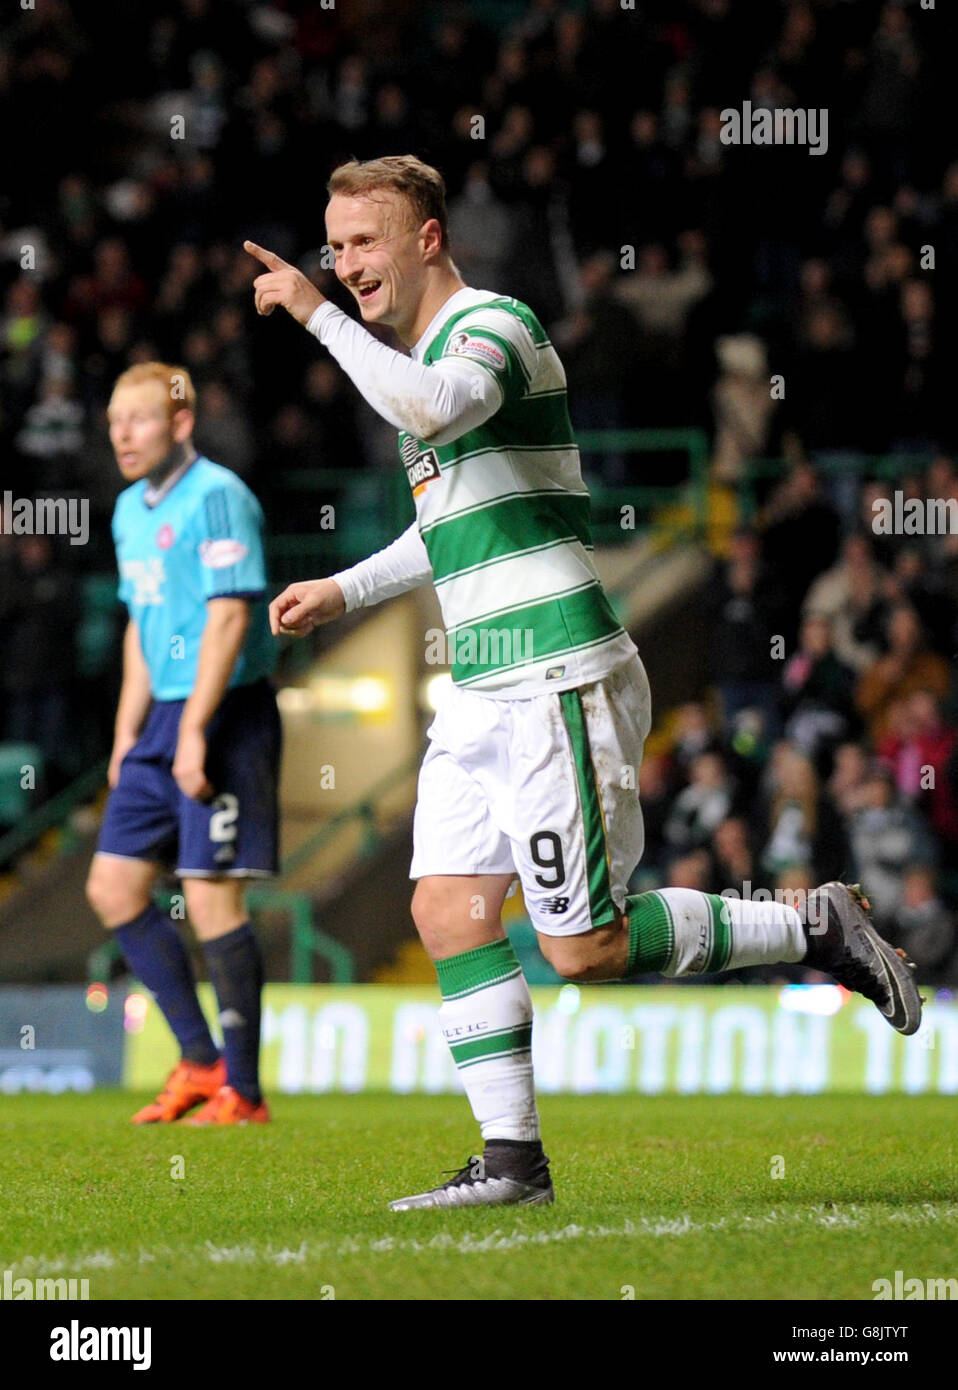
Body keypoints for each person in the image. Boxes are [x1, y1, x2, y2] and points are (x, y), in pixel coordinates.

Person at [246, 154, 922, 1210]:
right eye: (333, 248)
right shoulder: (420, 362)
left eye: (364, 241)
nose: (345, 264)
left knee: (586, 948)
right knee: (448, 907)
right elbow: (449, 525)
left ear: (428, 236)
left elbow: (430, 409)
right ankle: (512, 1161)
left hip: (554, 668)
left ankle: (817, 926)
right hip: (476, 686)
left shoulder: (493, 328)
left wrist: (315, 313)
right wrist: (345, 587)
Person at [85, 362, 281, 1125]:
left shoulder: (221, 496)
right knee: (114, 888)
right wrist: (127, 732)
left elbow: (231, 620)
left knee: (209, 897)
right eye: (113, 423)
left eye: (137, 419)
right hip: (161, 715)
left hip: (225, 708)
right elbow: (142, 620)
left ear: (181, 421)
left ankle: (245, 1091)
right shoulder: (130, 509)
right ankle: (199, 1063)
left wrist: (194, 731)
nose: (123, 435)